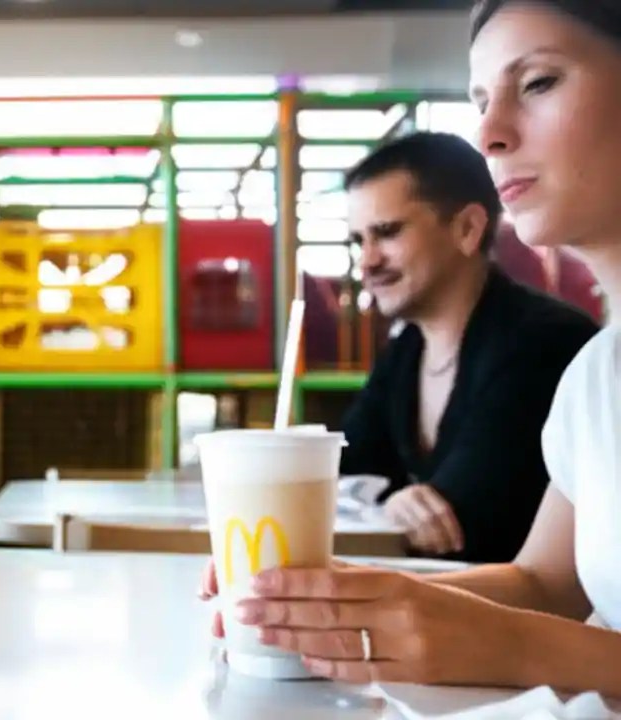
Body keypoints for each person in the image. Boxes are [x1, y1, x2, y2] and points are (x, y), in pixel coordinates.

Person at [202, 0, 621, 693]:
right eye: (480, 102)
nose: (487, 133)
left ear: (468, 230)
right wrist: (338, 599)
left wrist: (516, 646)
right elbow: (545, 585)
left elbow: (486, 553)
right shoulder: (597, 374)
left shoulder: (544, 346)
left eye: (539, 82)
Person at [337, 131, 598, 563]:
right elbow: (344, 473)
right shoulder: (407, 350)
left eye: (387, 232)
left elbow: (464, 523)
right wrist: (392, 504)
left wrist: (390, 503)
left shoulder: (542, 342)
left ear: (467, 228)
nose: (367, 261)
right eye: (358, 241)